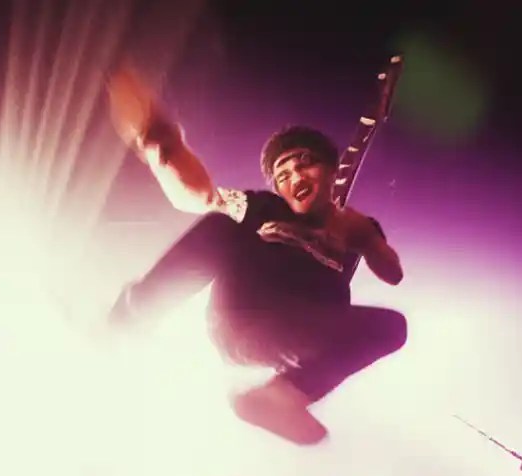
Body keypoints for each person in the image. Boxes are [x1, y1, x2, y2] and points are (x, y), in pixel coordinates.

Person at [104, 66, 407, 445]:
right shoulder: (262, 206)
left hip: (299, 327)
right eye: (283, 174)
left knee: (392, 327)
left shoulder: (355, 228)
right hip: (245, 318)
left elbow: (393, 274)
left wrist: (367, 240)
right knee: (221, 226)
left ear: (331, 170)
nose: (295, 177)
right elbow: (203, 196)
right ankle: (131, 316)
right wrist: (162, 146)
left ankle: (282, 397)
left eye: (304, 163)